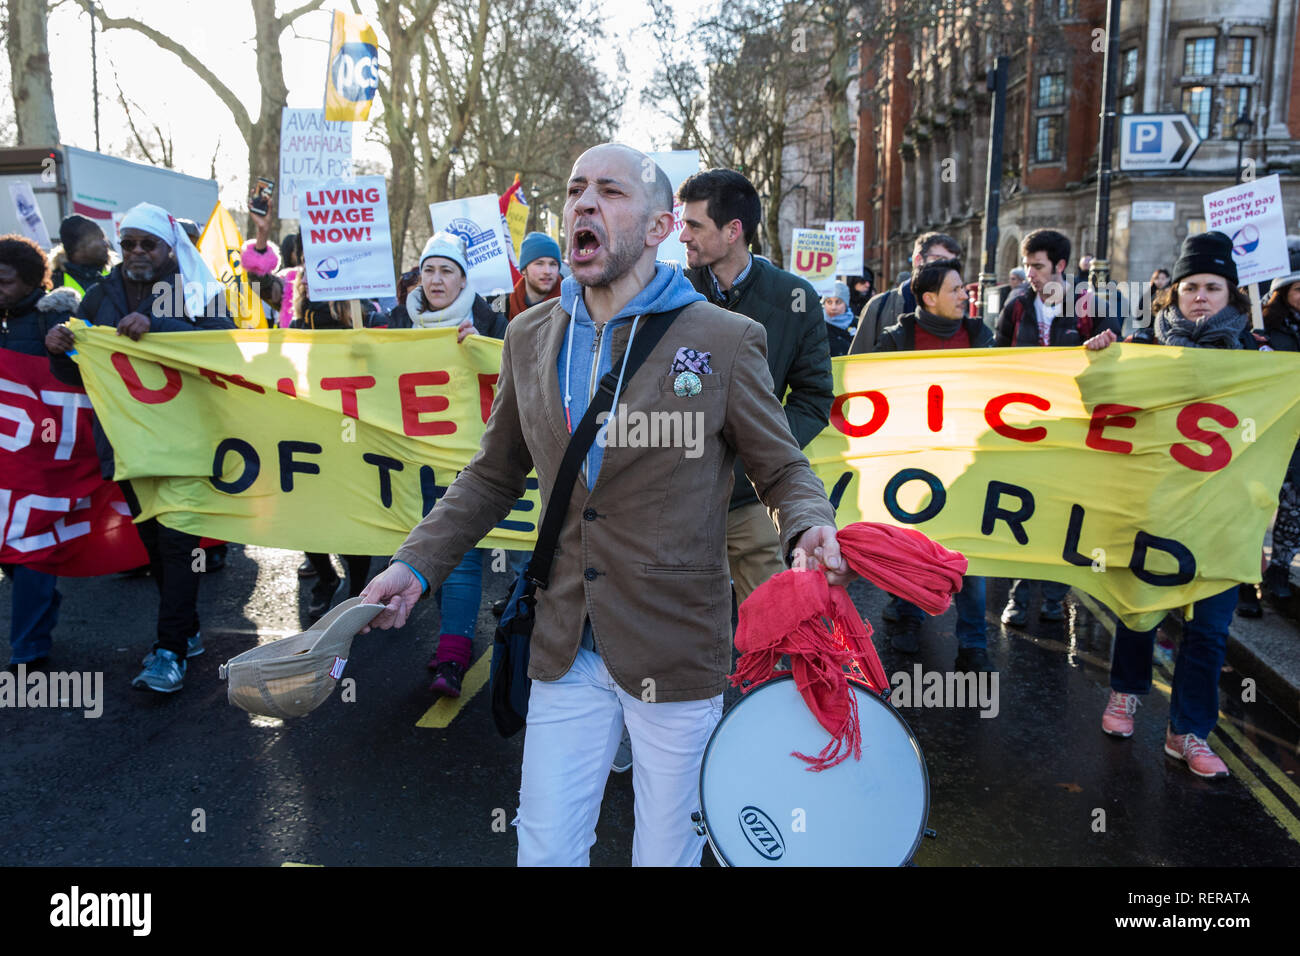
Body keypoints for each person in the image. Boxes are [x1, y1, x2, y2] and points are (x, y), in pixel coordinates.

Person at [358, 143, 845, 867]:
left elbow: (783, 468)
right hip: (564, 643)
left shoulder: (724, 338)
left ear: (657, 229)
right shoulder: (528, 337)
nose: (585, 202)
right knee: (546, 849)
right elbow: (492, 475)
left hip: (674, 644)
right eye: (577, 188)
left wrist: (809, 524)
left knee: (666, 853)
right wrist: (416, 564)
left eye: (610, 191)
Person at [1085, 231, 1262, 778]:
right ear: (1174, 293)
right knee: (1140, 608)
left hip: (1224, 516)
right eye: (1191, 287)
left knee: (1209, 630)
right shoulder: (1141, 344)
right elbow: (1093, 412)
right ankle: (1125, 693)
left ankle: (1188, 731)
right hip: (1154, 509)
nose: (1201, 296)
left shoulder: (1259, 355)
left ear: (1232, 293)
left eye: (1213, 286)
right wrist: (1097, 364)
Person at [44, 202, 236, 694]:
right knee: (154, 544)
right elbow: (75, 374)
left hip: (186, 441)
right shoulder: (98, 297)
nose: (135, 252)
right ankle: (187, 629)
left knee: (178, 543)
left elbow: (226, 353)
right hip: (128, 444)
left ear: (169, 248)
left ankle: (168, 651)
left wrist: (161, 329)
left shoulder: (201, 293)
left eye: (146, 243)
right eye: (127, 243)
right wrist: (60, 349)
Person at [678, 167, 833, 607]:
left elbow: (814, 398)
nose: (682, 236)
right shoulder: (667, 293)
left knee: (779, 627)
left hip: (753, 499)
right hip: (678, 500)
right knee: (673, 632)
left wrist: (757, 447)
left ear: (733, 231)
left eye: (694, 225)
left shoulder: (795, 299)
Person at [389, 231, 508, 696]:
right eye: (429, 270)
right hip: (404, 463)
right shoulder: (395, 322)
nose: (436, 279)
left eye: (447, 271)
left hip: (467, 464)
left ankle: (452, 658)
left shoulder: (491, 323)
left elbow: (517, 377)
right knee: (406, 552)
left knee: (459, 557)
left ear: (463, 279)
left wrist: (483, 350)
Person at [995, 229, 1122, 628]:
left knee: (1066, 515)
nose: (1029, 273)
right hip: (1025, 429)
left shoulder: (1093, 308)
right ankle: (1019, 595)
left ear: (1061, 266)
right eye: (1028, 265)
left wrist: (1105, 348)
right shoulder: (1015, 306)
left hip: (1073, 431)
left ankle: (1054, 597)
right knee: (1024, 509)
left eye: (1037, 266)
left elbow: (1114, 368)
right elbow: (994, 360)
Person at [871, 257, 994, 669]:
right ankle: (908, 616)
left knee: (969, 553)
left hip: (968, 464)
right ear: (929, 297)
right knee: (913, 545)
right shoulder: (896, 340)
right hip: (912, 465)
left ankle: (974, 643)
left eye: (965, 288)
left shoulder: (982, 338)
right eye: (956, 289)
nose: (965, 295)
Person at [0, 235, 80, 669]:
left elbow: (83, 374)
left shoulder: (58, 317)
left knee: (29, 547)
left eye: (5, 282)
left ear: (31, 280)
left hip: (45, 455)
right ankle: (42, 598)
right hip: (3, 458)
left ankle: (28, 648)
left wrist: (65, 347)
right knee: (9, 551)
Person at [849, 232, 962, 355]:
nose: (948, 269)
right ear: (918, 260)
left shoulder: (958, 308)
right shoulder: (878, 307)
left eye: (952, 264)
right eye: (940, 260)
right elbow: (857, 363)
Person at [1259, 270, 1300, 606]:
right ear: (1283, 292)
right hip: (1269, 429)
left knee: (1294, 503)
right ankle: (1247, 571)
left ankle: (1280, 568)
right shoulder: (1265, 327)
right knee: (1259, 498)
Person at [492, 231, 562, 321]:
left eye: (553, 264)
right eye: (539, 264)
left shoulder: (571, 306)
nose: (547, 271)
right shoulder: (504, 307)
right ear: (524, 270)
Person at [49, 215, 111, 296]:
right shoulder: (54, 282)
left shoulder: (114, 275)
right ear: (78, 246)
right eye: (99, 238)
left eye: (104, 238)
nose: (106, 244)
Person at [821, 280, 855, 356]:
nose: (833, 307)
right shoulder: (817, 325)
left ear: (846, 304)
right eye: (829, 302)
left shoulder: (858, 323)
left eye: (838, 302)